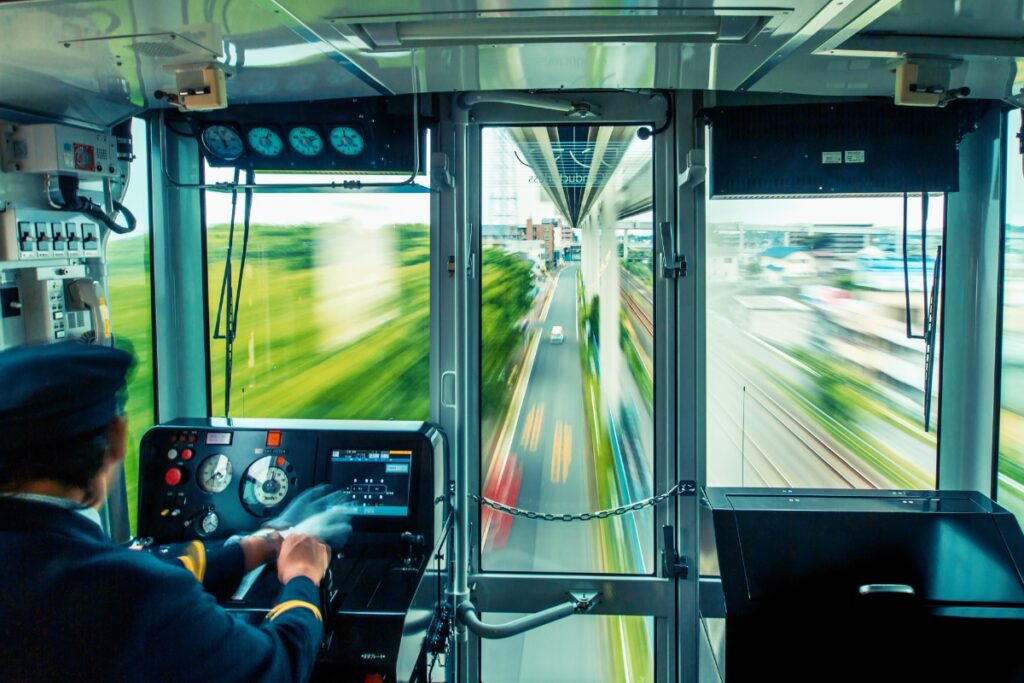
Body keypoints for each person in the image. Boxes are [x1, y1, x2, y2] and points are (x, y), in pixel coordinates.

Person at [0, 343, 338, 682]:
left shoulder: (101, 577)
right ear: (117, 438)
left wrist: (256, 546)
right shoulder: (139, 593)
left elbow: (123, 572)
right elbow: (277, 667)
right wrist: (302, 577)